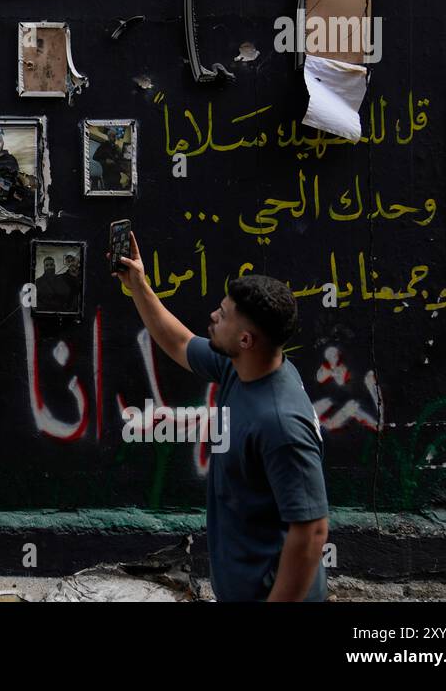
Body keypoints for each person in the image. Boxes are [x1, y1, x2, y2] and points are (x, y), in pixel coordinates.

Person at [111, 242, 329, 602]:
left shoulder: (280, 424)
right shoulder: (242, 367)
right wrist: (138, 284)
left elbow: (312, 533)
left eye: (224, 315)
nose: (213, 316)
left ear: (246, 339)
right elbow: (179, 342)